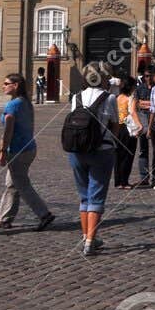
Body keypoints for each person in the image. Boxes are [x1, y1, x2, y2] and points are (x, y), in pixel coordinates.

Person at [66, 65, 119, 255]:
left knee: (84, 196)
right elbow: (115, 126)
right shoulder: (109, 98)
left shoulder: (76, 97)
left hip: (76, 151)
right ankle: (90, 241)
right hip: (101, 150)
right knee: (96, 195)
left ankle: (87, 236)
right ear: (102, 78)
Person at [0, 73, 54, 231]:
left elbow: (8, 131)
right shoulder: (26, 103)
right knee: (11, 184)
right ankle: (4, 219)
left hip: (17, 151)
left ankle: (44, 214)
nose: (3, 86)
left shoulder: (12, 106)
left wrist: (2, 151)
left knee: (22, 185)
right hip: (29, 148)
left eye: (6, 83)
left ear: (15, 86)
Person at [112, 77, 137, 189]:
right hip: (128, 128)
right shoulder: (130, 98)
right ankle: (124, 181)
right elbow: (132, 112)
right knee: (128, 155)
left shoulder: (117, 98)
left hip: (118, 128)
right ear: (131, 87)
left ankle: (117, 182)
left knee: (118, 156)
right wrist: (139, 125)